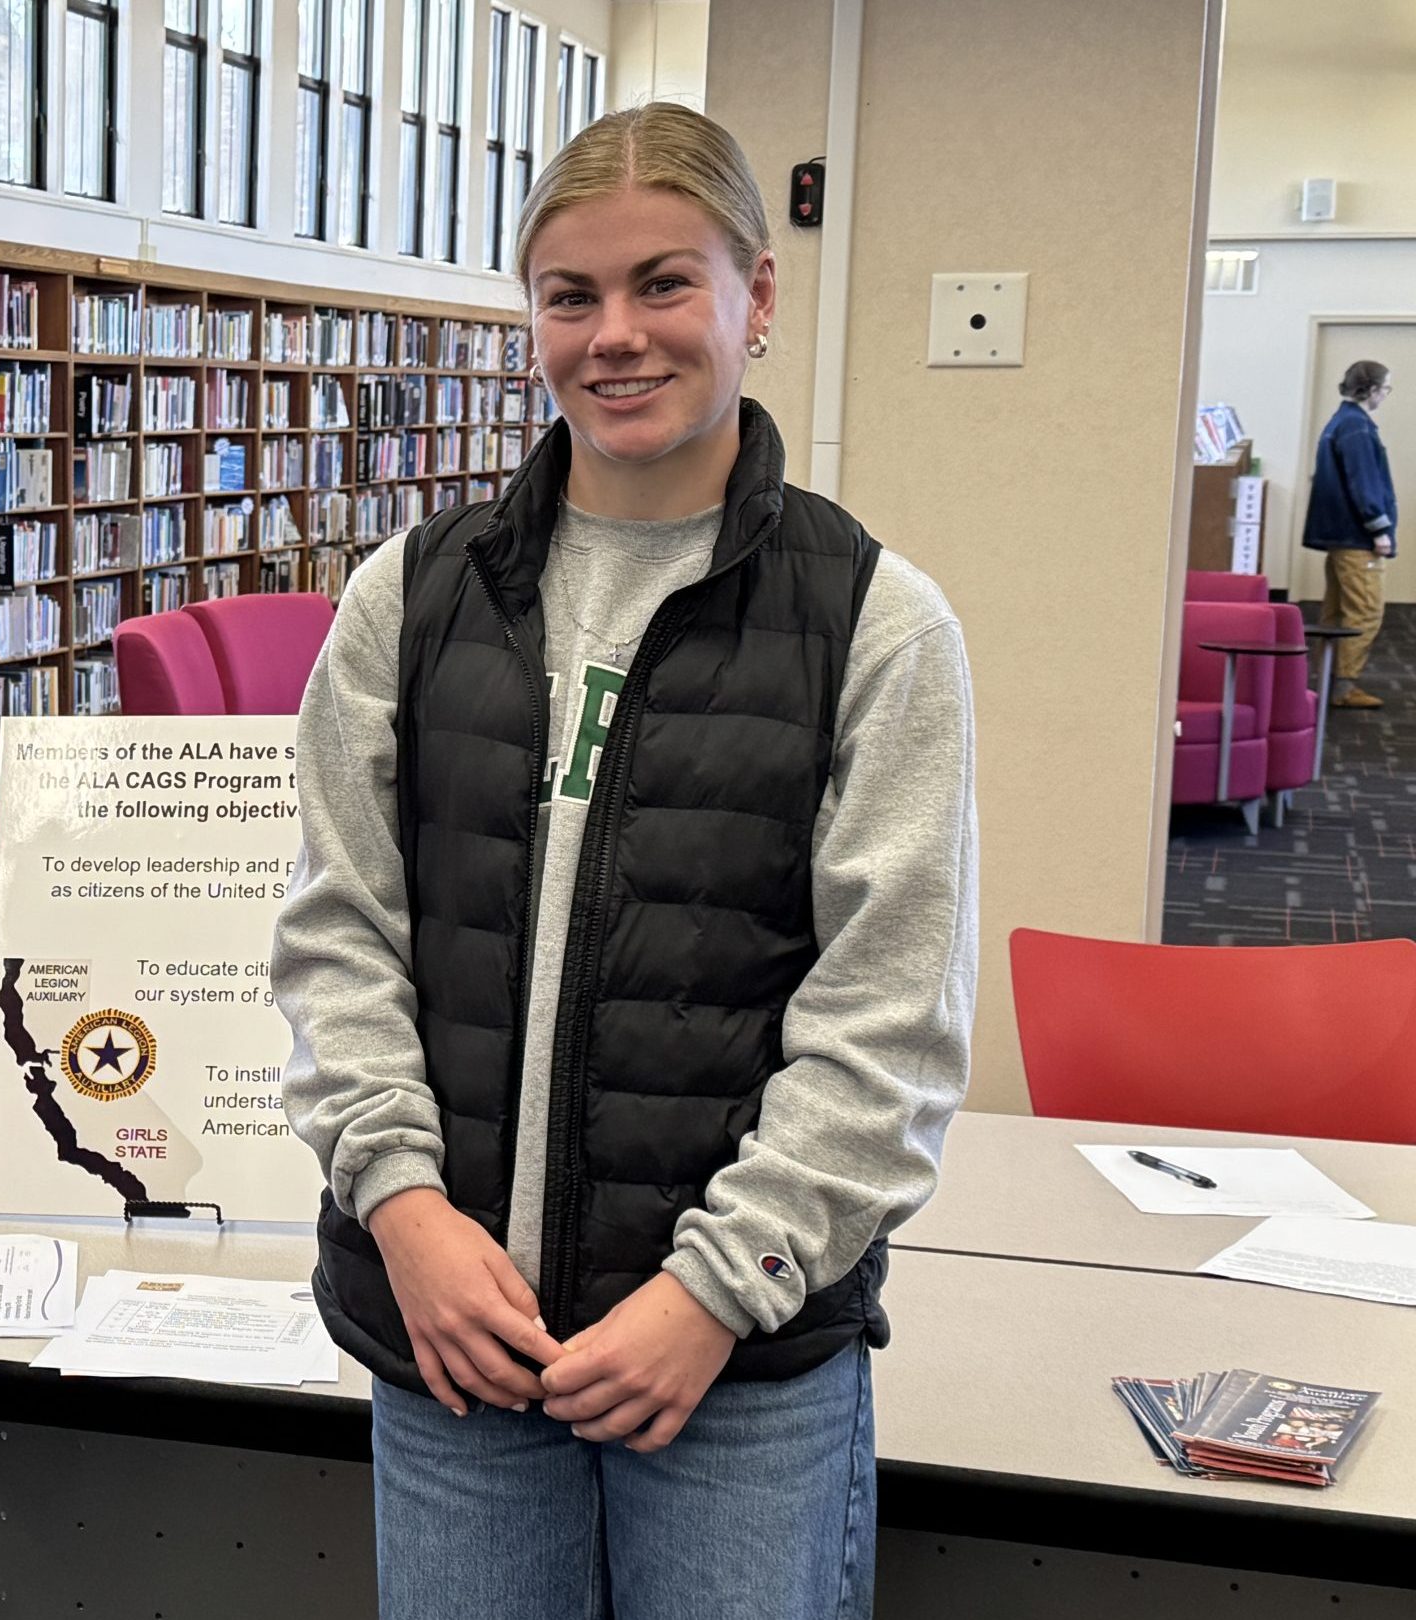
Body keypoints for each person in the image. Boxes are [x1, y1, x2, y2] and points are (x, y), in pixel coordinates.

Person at [273, 103, 978, 1619]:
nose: (616, 337)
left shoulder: (876, 623)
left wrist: (713, 1292)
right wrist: (403, 1209)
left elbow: (891, 1027)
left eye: (666, 284)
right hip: (456, 1343)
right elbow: (341, 935)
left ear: (757, 299)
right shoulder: (410, 598)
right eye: (569, 296)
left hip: (733, 1371)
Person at [1304, 359, 1397, 708]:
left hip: (1340, 537)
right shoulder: (1357, 428)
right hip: (1357, 537)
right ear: (1371, 389)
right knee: (1365, 610)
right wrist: (1380, 528)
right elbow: (1365, 484)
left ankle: (1328, 679)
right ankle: (1343, 686)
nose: (1386, 395)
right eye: (1386, 388)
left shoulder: (1341, 422)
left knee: (1338, 610)